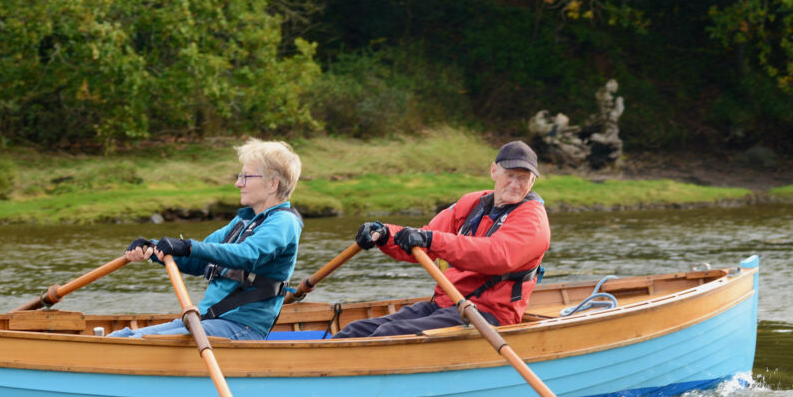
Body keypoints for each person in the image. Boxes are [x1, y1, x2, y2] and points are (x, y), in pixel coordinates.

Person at [334, 140, 549, 338]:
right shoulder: (472, 203)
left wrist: (430, 239)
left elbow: (496, 255)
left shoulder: (533, 219)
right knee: (355, 330)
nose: (515, 184)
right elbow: (425, 237)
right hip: (447, 303)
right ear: (494, 171)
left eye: (523, 178)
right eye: (510, 175)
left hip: (490, 315)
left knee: (389, 333)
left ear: (532, 182)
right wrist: (384, 234)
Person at [112, 138, 304, 340]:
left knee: (134, 342)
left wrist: (188, 246)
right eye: (240, 176)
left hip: (242, 327)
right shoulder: (243, 221)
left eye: (246, 177)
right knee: (121, 336)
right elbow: (199, 259)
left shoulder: (284, 222)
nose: (238, 183)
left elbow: (247, 255)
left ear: (273, 184)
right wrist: (152, 248)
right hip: (207, 320)